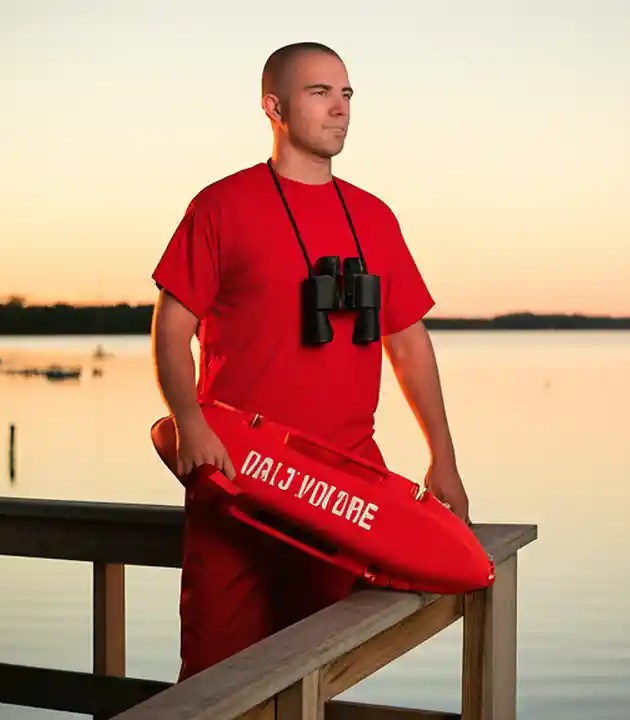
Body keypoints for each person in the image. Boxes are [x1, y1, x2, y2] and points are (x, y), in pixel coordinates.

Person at [149, 41, 470, 681]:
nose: (340, 109)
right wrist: (189, 420)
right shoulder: (221, 205)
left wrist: (444, 460)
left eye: (347, 94)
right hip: (238, 476)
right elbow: (171, 325)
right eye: (320, 93)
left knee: (321, 674)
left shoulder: (374, 217)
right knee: (217, 676)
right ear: (274, 106)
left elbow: (409, 344)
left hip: (347, 489)